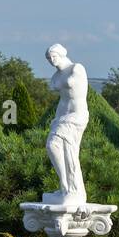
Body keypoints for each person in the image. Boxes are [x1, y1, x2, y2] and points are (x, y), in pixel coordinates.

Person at [43, 43, 88, 206]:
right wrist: (57, 119)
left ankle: (70, 189)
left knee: (55, 145)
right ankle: (67, 187)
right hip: (61, 115)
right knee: (57, 148)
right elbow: (63, 99)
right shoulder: (55, 77)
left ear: (61, 54)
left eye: (53, 55)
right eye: (48, 58)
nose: (51, 59)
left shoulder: (77, 68)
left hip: (77, 115)